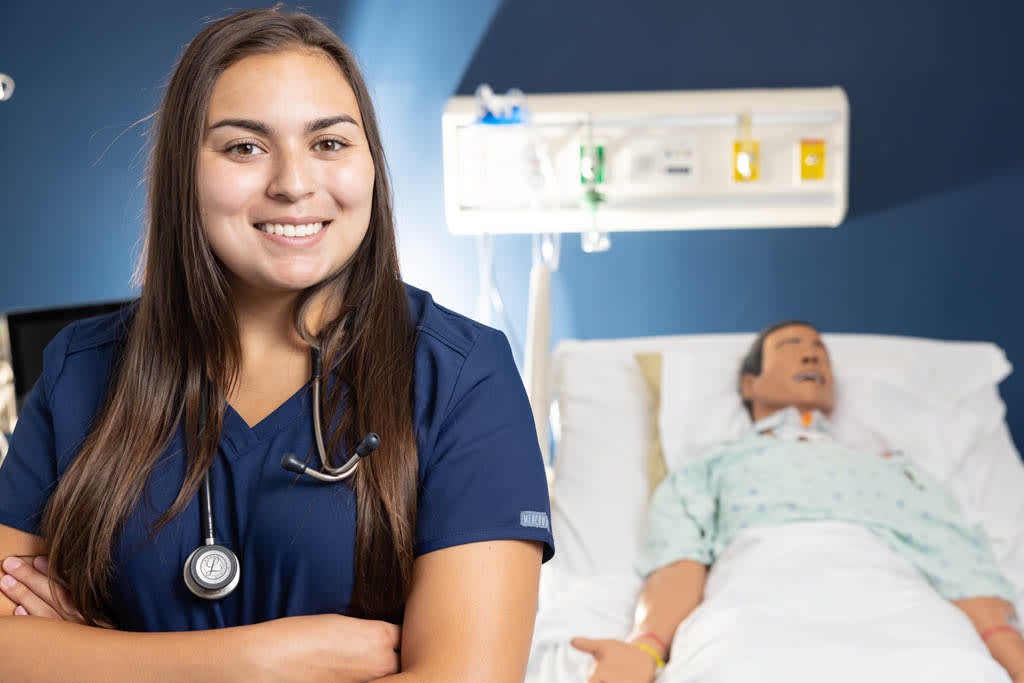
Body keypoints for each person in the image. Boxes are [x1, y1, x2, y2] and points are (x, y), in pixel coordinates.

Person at [0, 7, 553, 682]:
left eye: (329, 144)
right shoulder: (81, 370)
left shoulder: (462, 376)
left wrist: (89, 657)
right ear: (184, 173)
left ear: (370, 165)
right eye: (244, 147)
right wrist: (267, 660)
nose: (293, 183)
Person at [571, 321, 1023, 682]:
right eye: (791, 344)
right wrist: (644, 649)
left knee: (959, 669)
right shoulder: (711, 468)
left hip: (900, 602)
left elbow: (958, 564)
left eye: (820, 350)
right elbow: (679, 561)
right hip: (754, 604)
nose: (811, 354)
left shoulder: (893, 470)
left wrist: (1013, 659)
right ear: (749, 384)